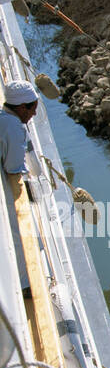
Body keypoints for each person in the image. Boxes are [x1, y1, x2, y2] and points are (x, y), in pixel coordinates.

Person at [0, 79, 39, 296]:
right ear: (22, 107)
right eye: (32, 109)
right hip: (6, 190)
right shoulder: (13, 127)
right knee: (18, 233)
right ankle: (26, 286)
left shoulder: (4, 118)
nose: (33, 115)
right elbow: (13, 167)